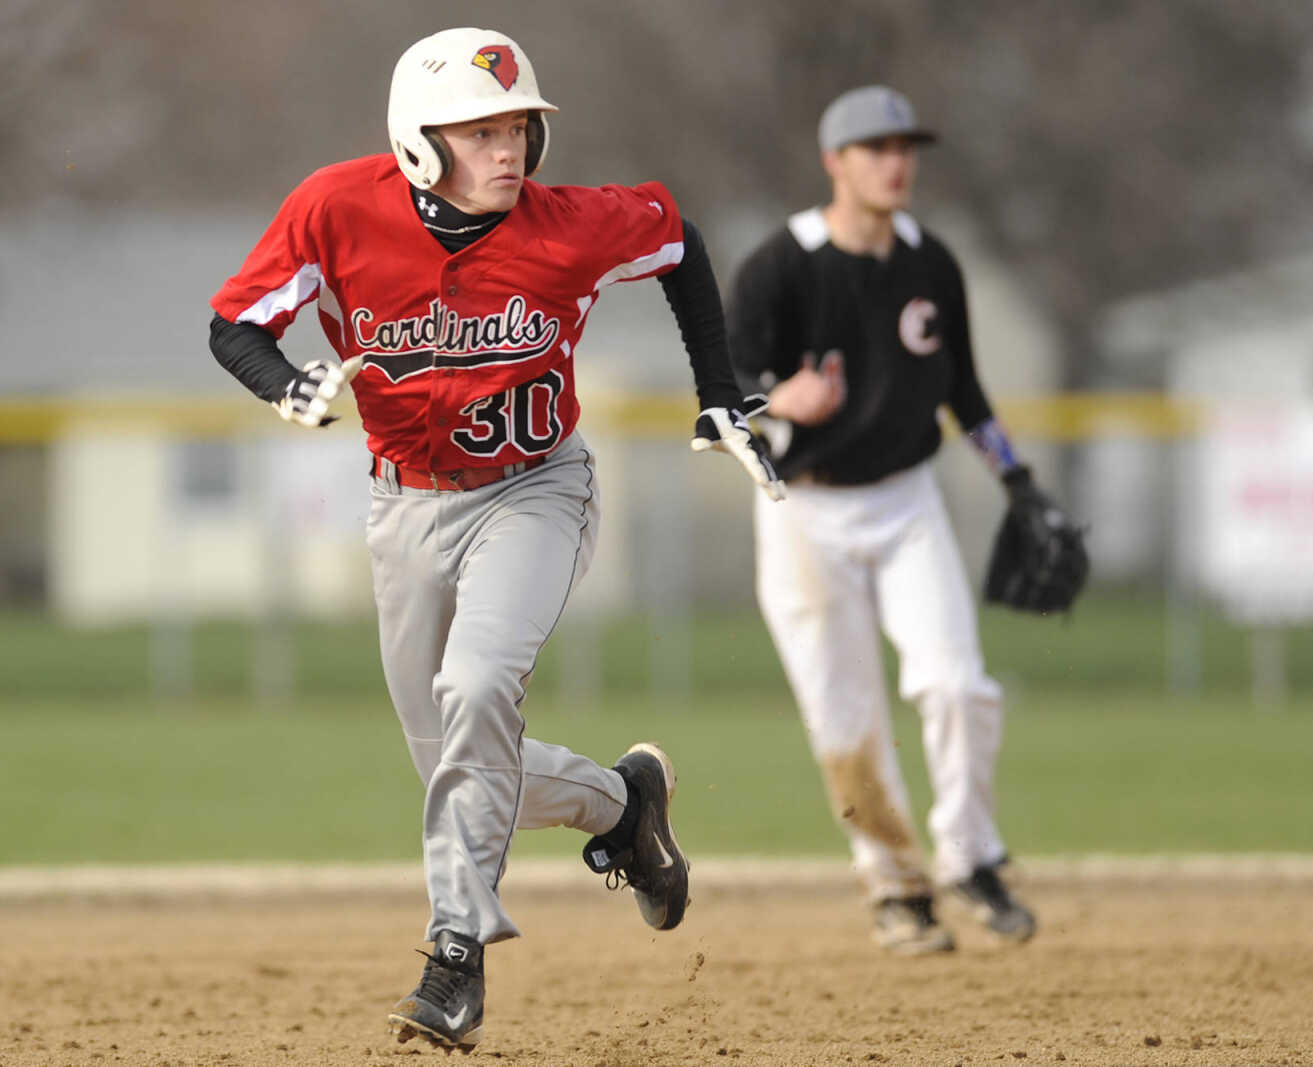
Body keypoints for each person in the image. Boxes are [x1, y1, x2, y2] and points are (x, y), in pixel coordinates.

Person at [207, 27, 783, 1051]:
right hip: (403, 503)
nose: (509, 147)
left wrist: (719, 389)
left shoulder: (570, 224)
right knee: (453, 762)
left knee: (476, 689)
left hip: (534, 491)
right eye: (480, 131)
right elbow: (235, 323)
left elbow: (678, 241)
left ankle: (455, 957)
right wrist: (284, 383)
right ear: (419, 141)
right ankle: (623, 806)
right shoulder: (337, 208)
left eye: (518, 126)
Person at [728, 85, 1078, 955]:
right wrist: (777, 398)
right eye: (876, 148)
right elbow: (722, 395)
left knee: (958, 682)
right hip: (803, 510)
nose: (896, 163)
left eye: (904, 148)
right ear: (835, 163)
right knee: (845, 721)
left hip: (906, 499)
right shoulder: (781, 265)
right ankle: (895, 886)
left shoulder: (931, 263)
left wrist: (1016, 477)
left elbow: (965, 391)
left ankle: (971, 854)